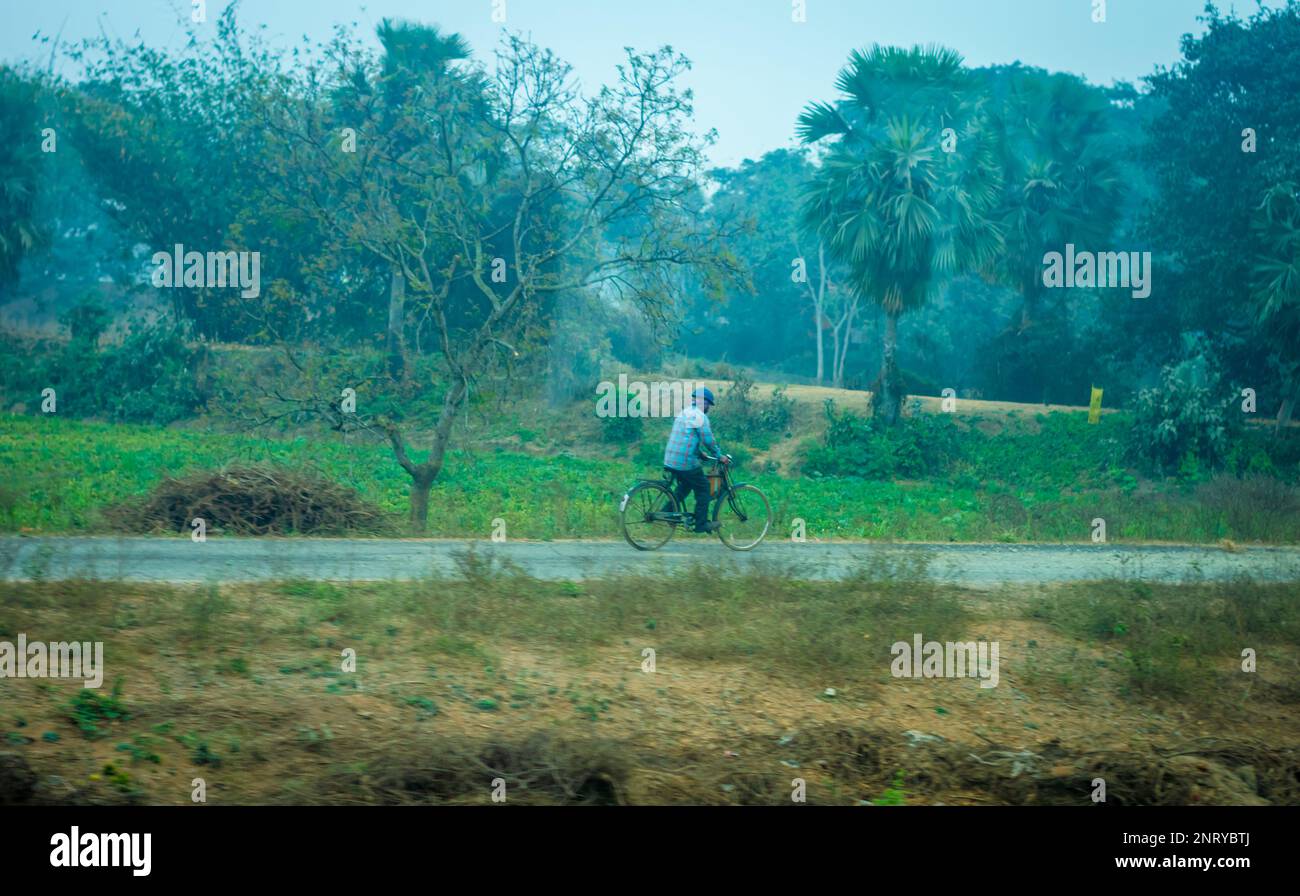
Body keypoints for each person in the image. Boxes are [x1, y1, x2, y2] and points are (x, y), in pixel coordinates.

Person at [662, 386, 728, 533]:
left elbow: (686, 439)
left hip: (670, 459)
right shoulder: (700, 417)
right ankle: (701, 524)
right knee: (704, 488)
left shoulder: (683, 413)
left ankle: (667, 511)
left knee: (686, 485)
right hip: (684, 462)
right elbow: (708, 440)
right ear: (704, 403)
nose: (708, 408)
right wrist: (720, 456)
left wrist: (699, 453)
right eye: (709, 405)